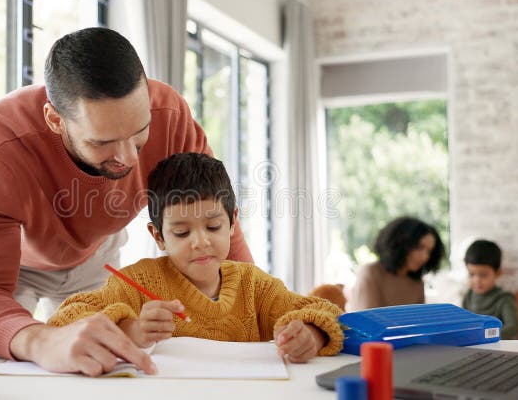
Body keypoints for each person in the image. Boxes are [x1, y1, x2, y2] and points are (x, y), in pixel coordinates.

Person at [0, 28, 254, 375]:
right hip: (18, 264)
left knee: (99, 368)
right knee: (7, 364)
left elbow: (216, 218)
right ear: (55, 120)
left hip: (98, 253)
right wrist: (42, 341)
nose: (128, 159)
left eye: (139, 135)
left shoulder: (169, 114)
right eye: (102, 142)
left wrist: (254, 308)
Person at [47, 153, 343, 374]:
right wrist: (130, 329)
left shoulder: (255, 286)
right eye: (182, 232)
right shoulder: (138, 283)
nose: (200, 242)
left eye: (213, 227)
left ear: (232, 222)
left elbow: (324, 312)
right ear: (159, 236)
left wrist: (311, 336)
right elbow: (64, 320)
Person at [347, 216, 445, 311]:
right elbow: (364, 323)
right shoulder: (371, 272)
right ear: (400, 243)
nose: (425, 257)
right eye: (419, 247)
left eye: (429, 251)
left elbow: (418, 323)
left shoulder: (417, 283)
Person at [461, 239, 518, 339]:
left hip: (500, 346)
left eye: (483, 275)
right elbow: (462, 321)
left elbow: (513, 327)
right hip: (475, 345)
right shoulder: (468, 296)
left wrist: (486, 336)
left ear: (498, 273)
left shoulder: (505, 299)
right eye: (471, 274)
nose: (477, 280)